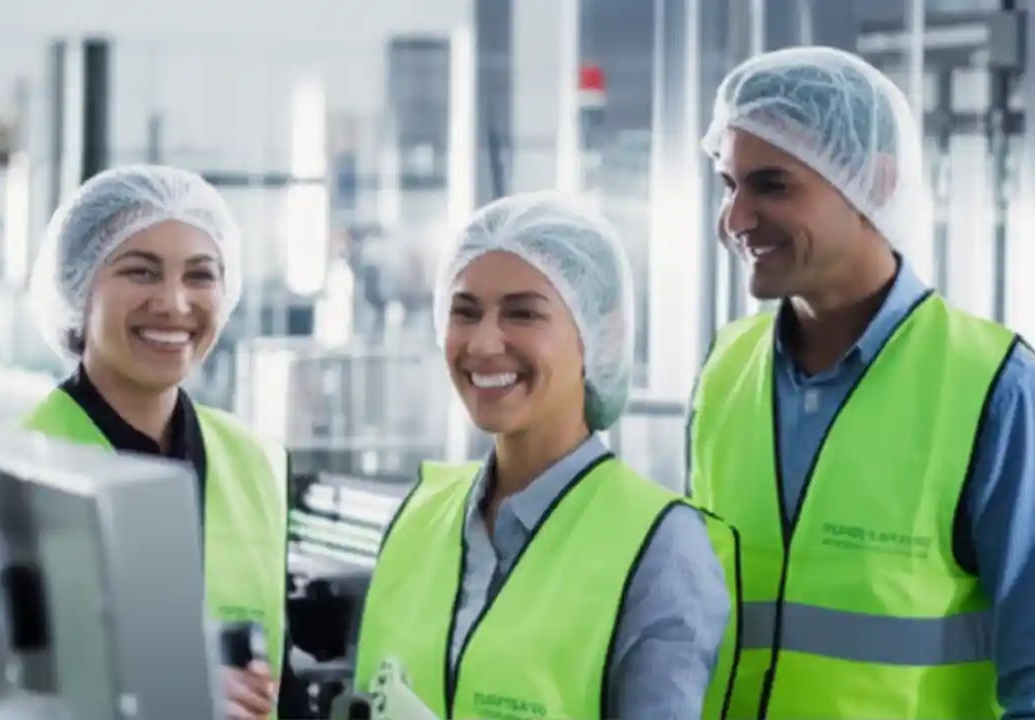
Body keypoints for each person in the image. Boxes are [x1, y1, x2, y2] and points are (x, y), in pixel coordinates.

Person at [688, 46, 1035, 719]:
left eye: (772, 184)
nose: (735, 218)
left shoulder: (995, 388)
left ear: (868, 181)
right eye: (729, 184)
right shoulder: (725, 370)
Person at [0, 165, 309, 720]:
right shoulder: (4, 472)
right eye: (141, 271)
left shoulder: (256, 463)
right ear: (79, 288)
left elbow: (283, 684)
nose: (175, 304)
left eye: (201, 276)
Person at [353, 192, 742, 719]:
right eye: (465, 312)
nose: (484, 343)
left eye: (523, 313)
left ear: (600, 336)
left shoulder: (661, 547)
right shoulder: (419, 516)